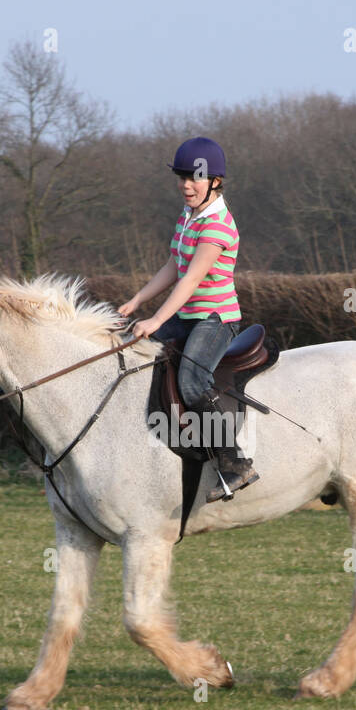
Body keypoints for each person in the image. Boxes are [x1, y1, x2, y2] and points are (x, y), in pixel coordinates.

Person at [117, 136, 258, 501]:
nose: (185, 185)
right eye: (181, 178)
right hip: (187, 314)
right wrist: (137, 301)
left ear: (215, 182)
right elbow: (173, 266)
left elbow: (192, 278)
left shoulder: (218, 225)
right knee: (130, 350)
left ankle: (235, 463)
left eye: (194, 178)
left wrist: (155, 319)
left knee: (194, 382)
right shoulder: (189, 216)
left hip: (215, 320)